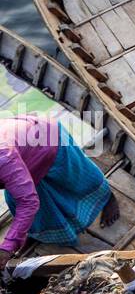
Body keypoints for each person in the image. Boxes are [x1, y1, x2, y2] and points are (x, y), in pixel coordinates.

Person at [0, 114, 119, 271]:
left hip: (48, 140)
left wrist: (6, 247)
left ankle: (107, 196)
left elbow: (28, 202)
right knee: (15, 199)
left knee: (77, 178)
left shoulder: (3, 156)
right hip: (23, 151)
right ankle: (26, 233)